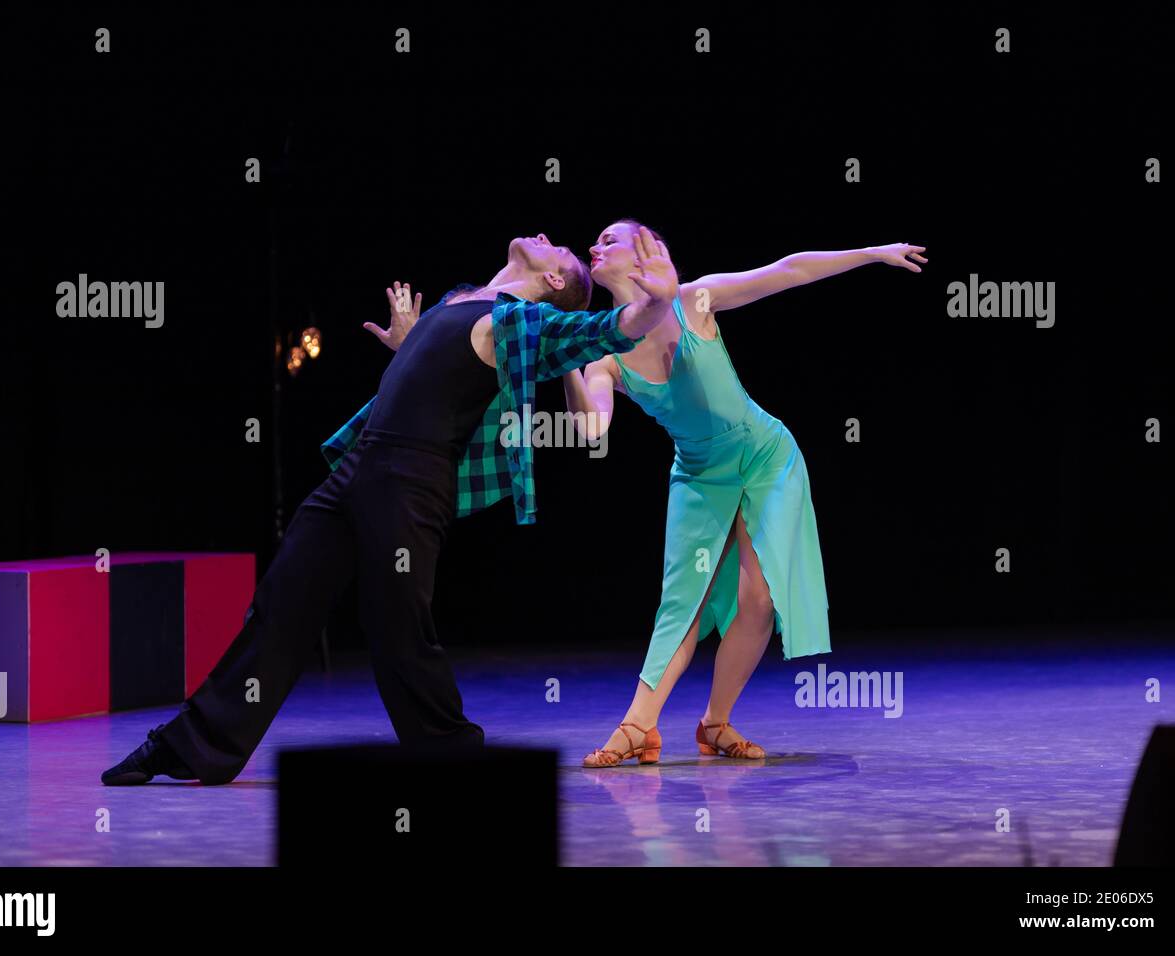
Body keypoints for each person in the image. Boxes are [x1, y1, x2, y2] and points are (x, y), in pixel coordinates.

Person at [101, 229, 678, 785]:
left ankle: (452, 749)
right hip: (362, 467)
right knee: (281, 605)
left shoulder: (522, 322)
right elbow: (428, 379)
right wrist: (410, 342)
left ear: (552, 277)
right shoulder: (462, 302)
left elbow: (607, 329)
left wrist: (656, 303)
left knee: (398, 626)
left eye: (558, 251)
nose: (548, 236)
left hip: (411, 478)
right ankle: (194, 746)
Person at [562, 221, 927, 766]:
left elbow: (786, 271)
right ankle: (638, 725)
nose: (595, 245)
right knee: (682, 604)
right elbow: (591, 430)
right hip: (700, 475)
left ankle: (715, 723)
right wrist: (568, 359)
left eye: (609, 238)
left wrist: (872, 252)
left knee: (758, 599)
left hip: (765, 457)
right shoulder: (604, 352)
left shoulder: (693, 300)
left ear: (648, 249)